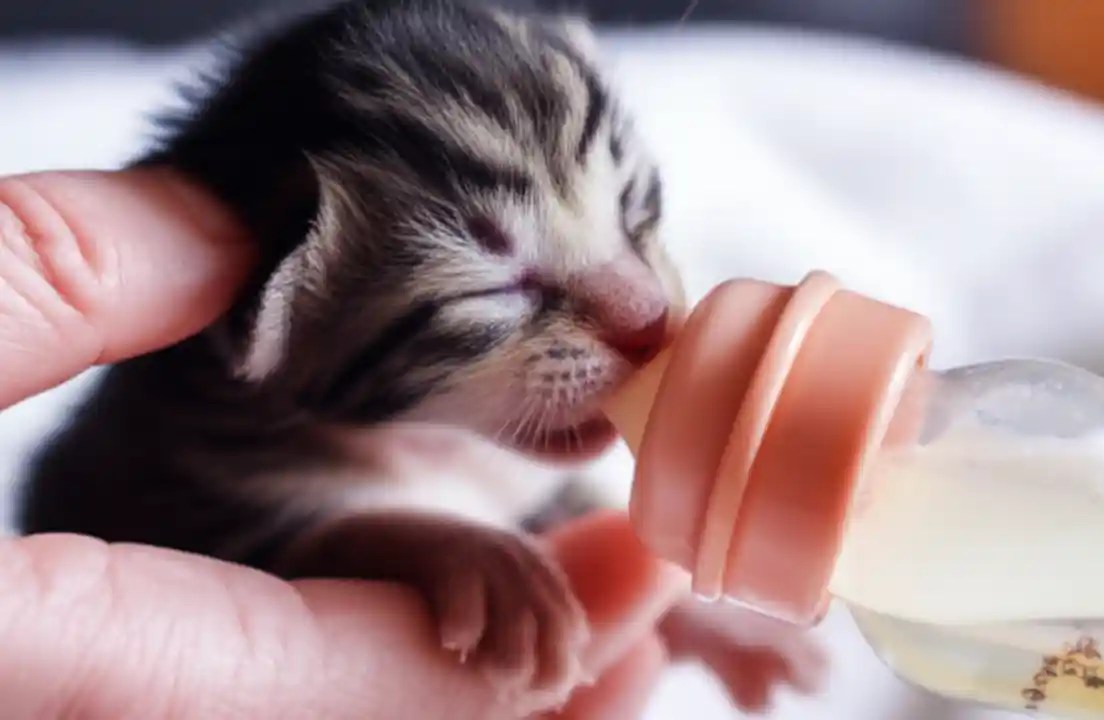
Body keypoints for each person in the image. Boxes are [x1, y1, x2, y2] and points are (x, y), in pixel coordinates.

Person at [0, 167, 689, 719]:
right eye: (502, 282)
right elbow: (224, 560)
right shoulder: (226, 442)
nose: (646, 309)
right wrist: (392, 544)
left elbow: (587, 536)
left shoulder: (484, 409)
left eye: (630, 208)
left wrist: (685, 612)